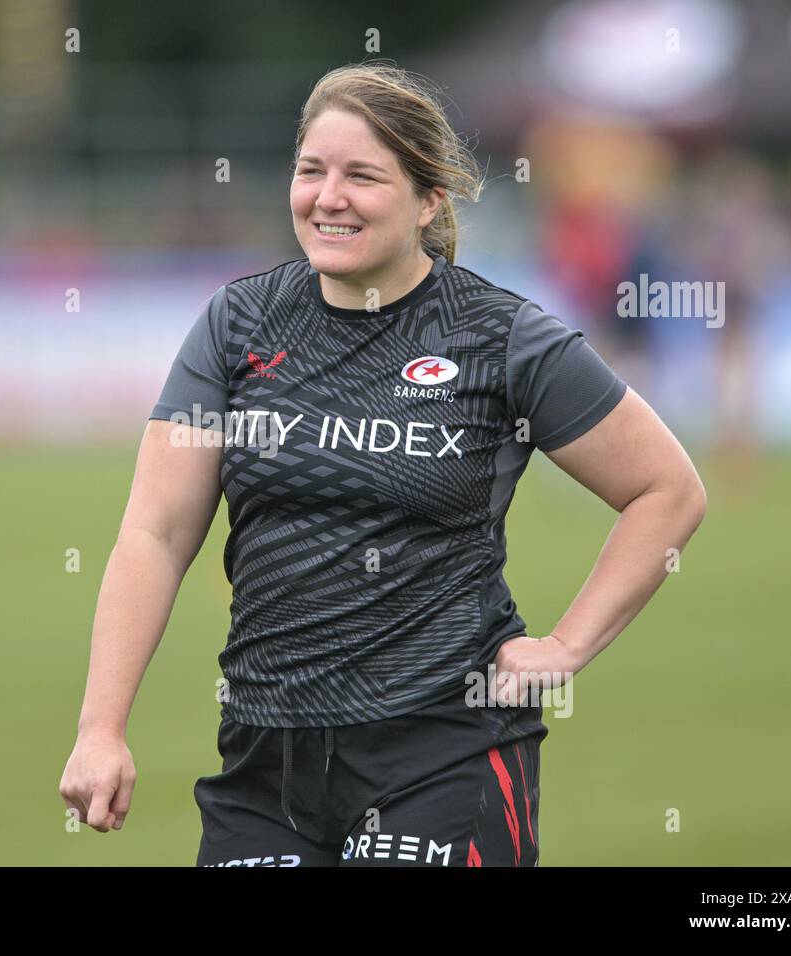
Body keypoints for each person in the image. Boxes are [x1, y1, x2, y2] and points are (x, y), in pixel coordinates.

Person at [59, 62, 706, 866]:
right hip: (267, 763)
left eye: (362, 176)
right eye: (311, 171)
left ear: (428, 199)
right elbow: (155, 534)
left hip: (443, 751)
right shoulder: (237, 325)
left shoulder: (500, 338)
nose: (328, 197)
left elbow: (667, 489)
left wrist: (567, 647)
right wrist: (100, 729)